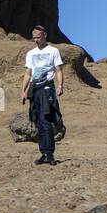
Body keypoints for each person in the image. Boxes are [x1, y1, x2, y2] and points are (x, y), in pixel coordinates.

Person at [20, 25, 63, 166]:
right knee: (37, 121)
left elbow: (58, 70)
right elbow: (28, 73)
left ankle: (49, 154)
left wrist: (60, 85)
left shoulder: (53, 51)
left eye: (38, 37)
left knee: (46, 119)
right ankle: (43, 153)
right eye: (34, 38)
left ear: (45, 35)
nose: (36, 40)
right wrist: (23, 91)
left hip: (47, 88)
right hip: (35, 90)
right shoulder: (30, 53)